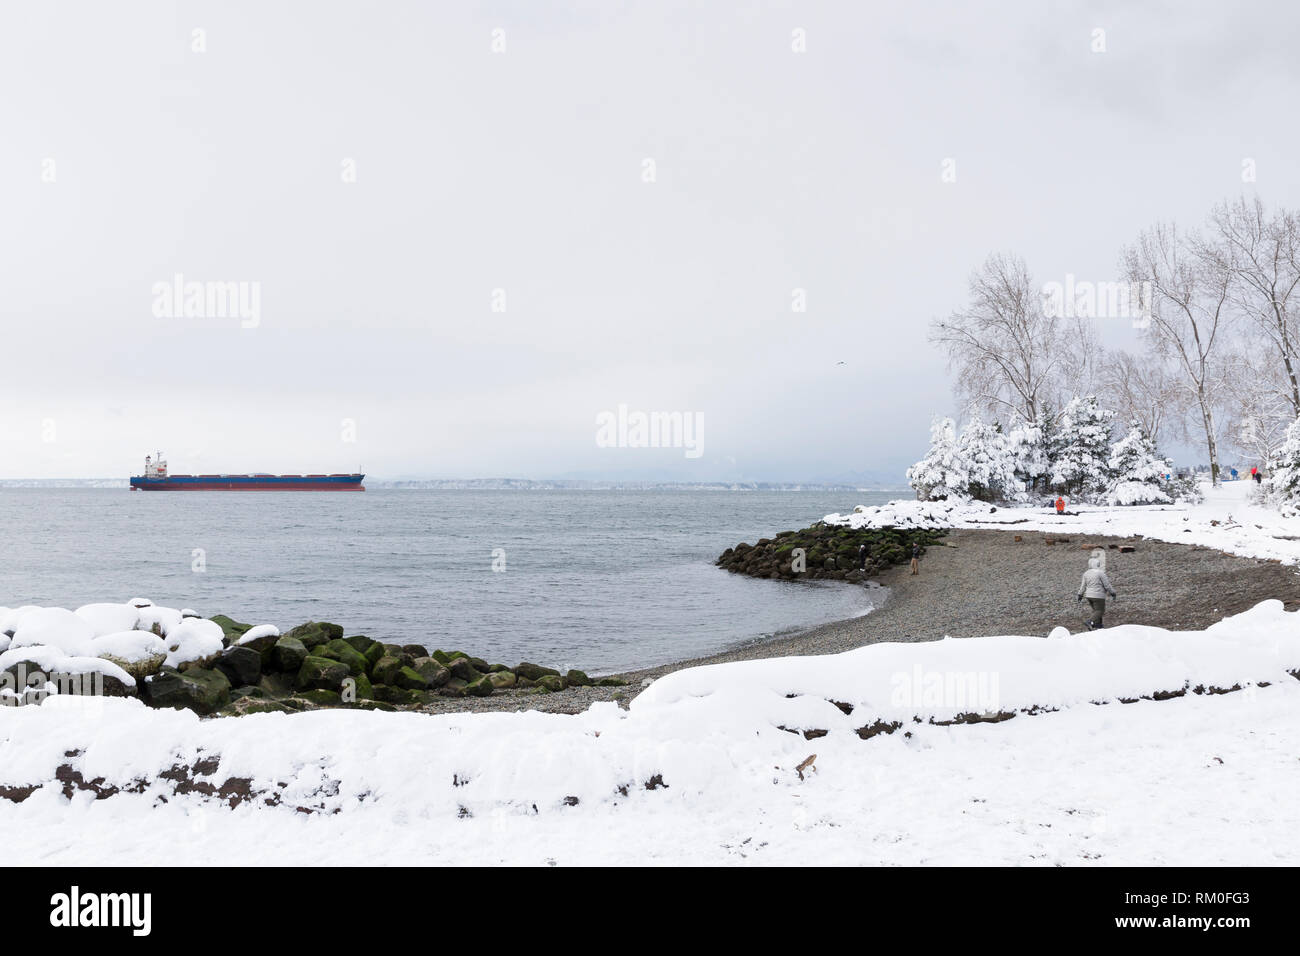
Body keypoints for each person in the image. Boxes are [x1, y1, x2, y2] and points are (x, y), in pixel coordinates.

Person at [1076, 556, 1117, 629]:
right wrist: (1113, 592)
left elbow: (1083, 586)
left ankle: (1098, 626)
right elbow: (1107, 585)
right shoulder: (1100, 573)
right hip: (1098, 596)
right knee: (1100, 610)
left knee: (1096, 611)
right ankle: (1090, 621)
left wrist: (1080, 595)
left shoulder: (1086, 573)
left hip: (1089, 596)